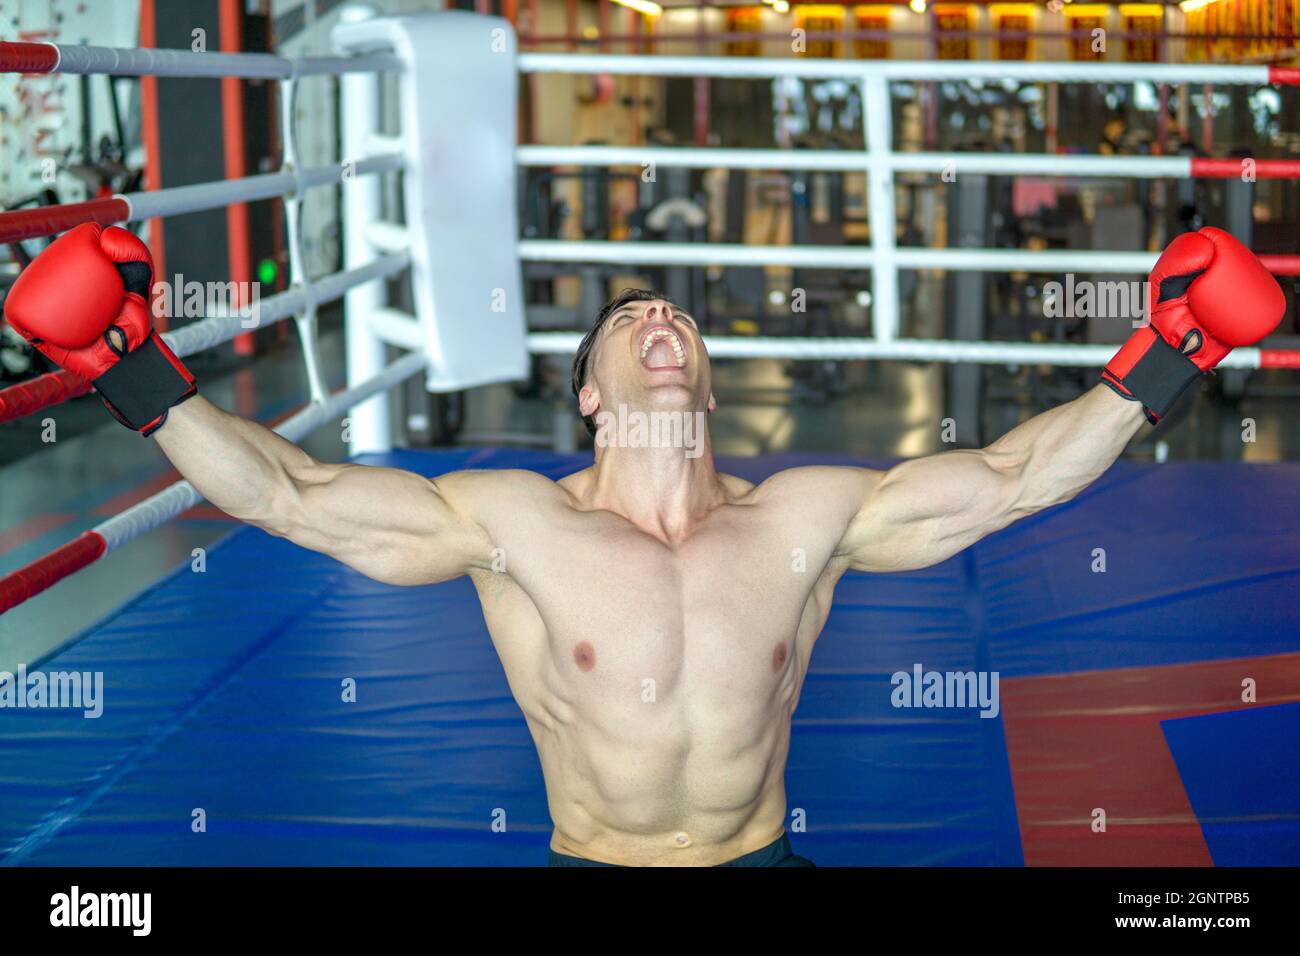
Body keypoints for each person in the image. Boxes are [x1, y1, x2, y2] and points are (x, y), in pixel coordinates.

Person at [3, 222, 1283, 866]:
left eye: (676, 311)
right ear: (595, 397)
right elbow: (289, 491)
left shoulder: (808, 516)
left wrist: (1164, 356)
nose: (661, 314)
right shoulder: (513, 522)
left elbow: (1012, 478)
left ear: (708, 384)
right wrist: (140, 381)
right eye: (630, 316)